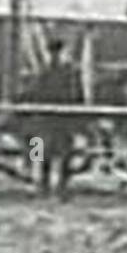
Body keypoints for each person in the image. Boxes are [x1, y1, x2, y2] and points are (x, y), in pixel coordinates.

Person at [29, 37, 81, 195]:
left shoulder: (68, 73)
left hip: (62, 118)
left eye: (57, 53)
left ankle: (61, 185)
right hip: (46, 118)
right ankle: (43, 184)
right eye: (53, 53)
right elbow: (35, 93)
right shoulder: (44, 73)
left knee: (64, 152)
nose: (55, 56)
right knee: (41, 152)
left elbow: (75, 94)